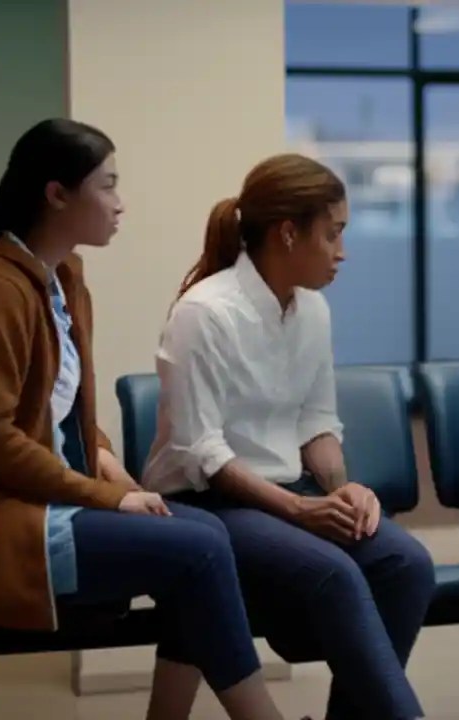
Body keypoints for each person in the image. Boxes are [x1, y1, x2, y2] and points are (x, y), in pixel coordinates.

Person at [0, 119, 284, 720]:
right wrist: (106, 498)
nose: (120, 204)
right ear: (57, 194)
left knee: (203, 538)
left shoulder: (63, 280)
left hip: (34, 506)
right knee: (196, 550)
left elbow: (68, 416)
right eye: (108, 186)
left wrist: (115, 476)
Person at [142, 153, 435, 720]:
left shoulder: (313, 312)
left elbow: (316, 422)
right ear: (287, 233)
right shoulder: (204, 312)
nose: (342, 252)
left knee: (408, 564)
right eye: (333, 235)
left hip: (285, 495)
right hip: (206, 502)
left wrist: (343, 490)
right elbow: (202, 452)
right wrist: (300, 510)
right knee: (335, 574)